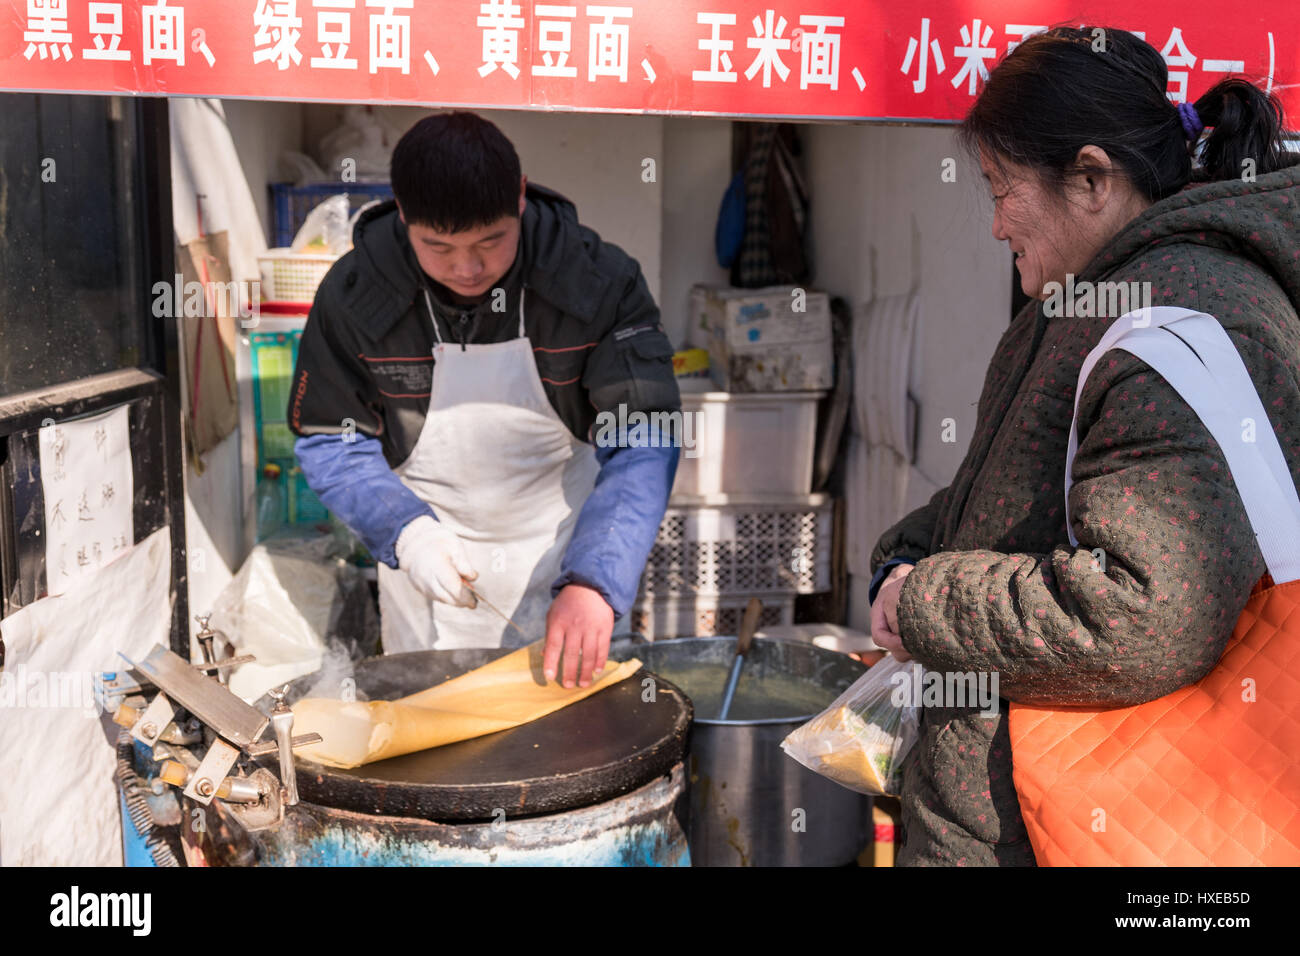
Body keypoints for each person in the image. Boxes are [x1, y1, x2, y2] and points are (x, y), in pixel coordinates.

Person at [867, 26, 1300, 865]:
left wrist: (926, 601)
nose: (995, 227)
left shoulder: (1184, 318)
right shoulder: (1092, 301)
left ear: (1092, 178)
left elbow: (1141, 612)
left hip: (1066, 832)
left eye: (1000, 190)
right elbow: (1009, 501)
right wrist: (905, 556)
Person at [288, 111, 681, 688]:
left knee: (577, 746)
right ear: (402, 212)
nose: (467, 268)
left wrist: (597, 579)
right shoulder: (355, 296)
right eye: (438, 247)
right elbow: (330, 436)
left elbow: (642, 434)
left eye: (490, 241)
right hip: (426, 561)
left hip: (569, 551)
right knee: (432, 746)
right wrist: (405, 532)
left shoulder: (597, 283)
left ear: (519, 198)